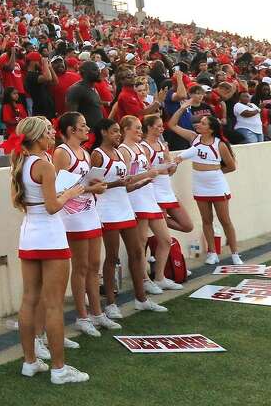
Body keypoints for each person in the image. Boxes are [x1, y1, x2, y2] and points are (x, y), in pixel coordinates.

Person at [10, 116, 89, 385]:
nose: (52, 136)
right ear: (37, 137)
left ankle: (29, 362)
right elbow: (53, 206)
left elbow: (24, 202)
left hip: (29, 234)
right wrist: (74, 191)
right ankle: (58, 369)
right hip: (51, 236)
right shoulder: (44, 164)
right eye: (47, 132)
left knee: (29, 299)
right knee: (54, 304)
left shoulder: (20, 163)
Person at [91, 117, 166, 319]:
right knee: (112, 257)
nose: (118, 135)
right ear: (104, 132)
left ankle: (141, 299)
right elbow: (94, 188)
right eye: (114, 131)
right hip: (107, 210)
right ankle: (111, 303)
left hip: (124, 207)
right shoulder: (97, 155)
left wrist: (139, 184)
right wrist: (119, 184)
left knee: (135, 252)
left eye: (118, 131)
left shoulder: (118, 153)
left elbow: (126, 183)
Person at [51, 111, 113, 339]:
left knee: (94, 264)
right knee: (80, 266)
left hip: (89, 211)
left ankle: (96, 312)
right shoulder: (61, 152)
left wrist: (96, 184)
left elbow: (82, 182)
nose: (88, 129)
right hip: (72, 215)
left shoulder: (86, 153)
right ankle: (82, 316)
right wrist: (90, 189)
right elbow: (58, 189)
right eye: (83, 125)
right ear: (71, 130)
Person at [169, 109, 242, 265]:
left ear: (210, 129)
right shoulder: (194, 138)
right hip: (199, 184)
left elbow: (231, 166)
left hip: (216, 185)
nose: (198, 124)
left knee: (224, 219)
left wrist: (214, 172)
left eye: (203, 123)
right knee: (206, 220)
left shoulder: (219, 144)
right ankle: (212, 252)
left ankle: (235, 253)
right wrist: (182, 108)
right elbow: (172, 125)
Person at [119, 115, 180, 297]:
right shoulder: (124, 150)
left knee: (165, 239)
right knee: (140, 244)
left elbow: (150, 171)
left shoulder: (139, 148)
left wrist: (168, 166)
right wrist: (148, 175)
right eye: (136, 128)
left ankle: (159, 277)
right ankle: (144, 280)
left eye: (140, 128)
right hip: (137, 198)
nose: (139, 131)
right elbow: (127, 181)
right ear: (126, 130)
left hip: (149, 196)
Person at [65, 61, 104, 142]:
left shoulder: (93, 88)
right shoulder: (76, 89)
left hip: (97, 135)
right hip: (86, 138)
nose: (99, 72)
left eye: (98, 69)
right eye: (95, 70)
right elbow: (72, 117)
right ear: (84, 72)